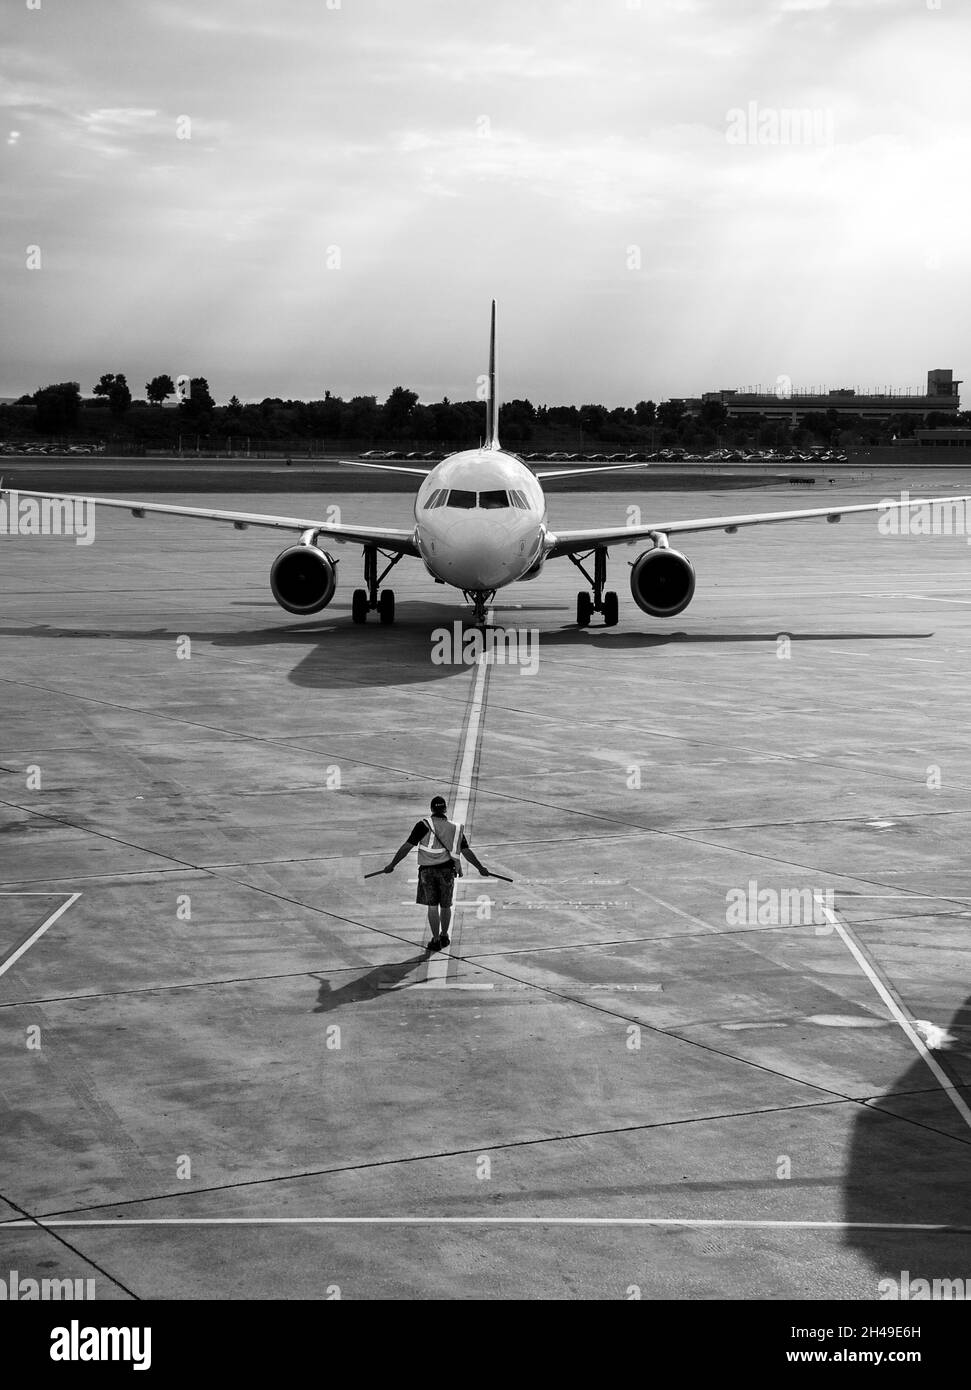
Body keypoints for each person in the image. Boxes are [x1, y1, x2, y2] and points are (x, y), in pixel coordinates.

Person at [383, 795, 490, 950]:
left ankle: (435, 939)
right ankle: (445, 936)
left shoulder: (423, 825)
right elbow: (466, 851)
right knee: (446, 906)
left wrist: (392, 864)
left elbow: (407, 847)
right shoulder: (455, 829)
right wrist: (481, 868)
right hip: (447, 872)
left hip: (427, 873)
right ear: (445, 809)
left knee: (432, 907)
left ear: (431, 809)